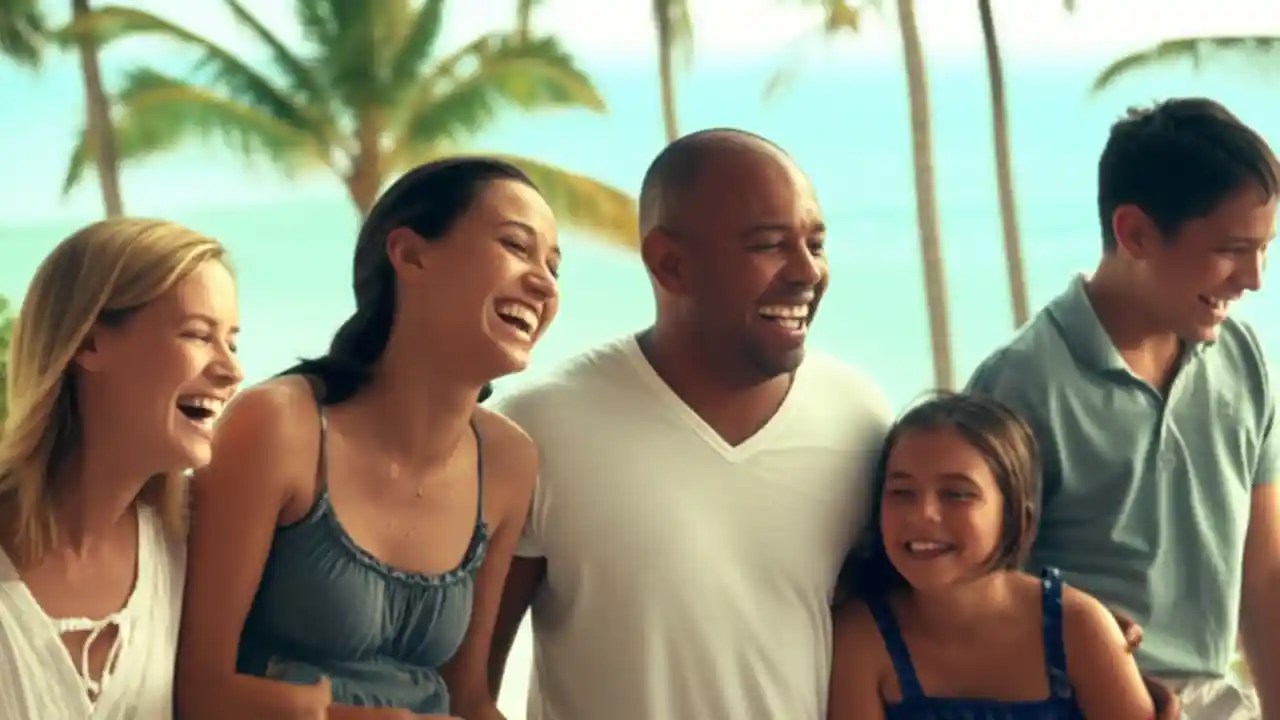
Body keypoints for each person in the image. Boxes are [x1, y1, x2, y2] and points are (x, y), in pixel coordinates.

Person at [483, 128, 894, 720]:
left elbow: (900, 646)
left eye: (816, 244)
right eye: (769, 245)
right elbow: (469, 688)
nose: (808, 271)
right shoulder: (542, 427)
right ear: (670, 264)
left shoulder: (862, 421)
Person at [174, 158, 560, 719]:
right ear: (410, 255)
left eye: (554, 266)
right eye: (516, 246)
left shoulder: (507, 460)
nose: (544, 283)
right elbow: (197, 693)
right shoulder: (278, 426)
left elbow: (469, 699)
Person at [966, 97, 1280, 719]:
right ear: (1134, 233)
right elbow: (976, 603)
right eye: (1231, 249)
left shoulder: (1244, 359)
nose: (1254, 278)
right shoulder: (1018, 386)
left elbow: (1266, 577)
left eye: (1265, 249)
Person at [0, 218, 242, 720]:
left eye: (232, 342)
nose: (231, 371)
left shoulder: (195, 547)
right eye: (199, 335)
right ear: (89, 344)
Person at [828, 392, 1154, 719]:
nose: (923, 513)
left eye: (956, 494)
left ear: (1013, 512)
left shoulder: (1078, 627)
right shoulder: (861, 636)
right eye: (901, 492)